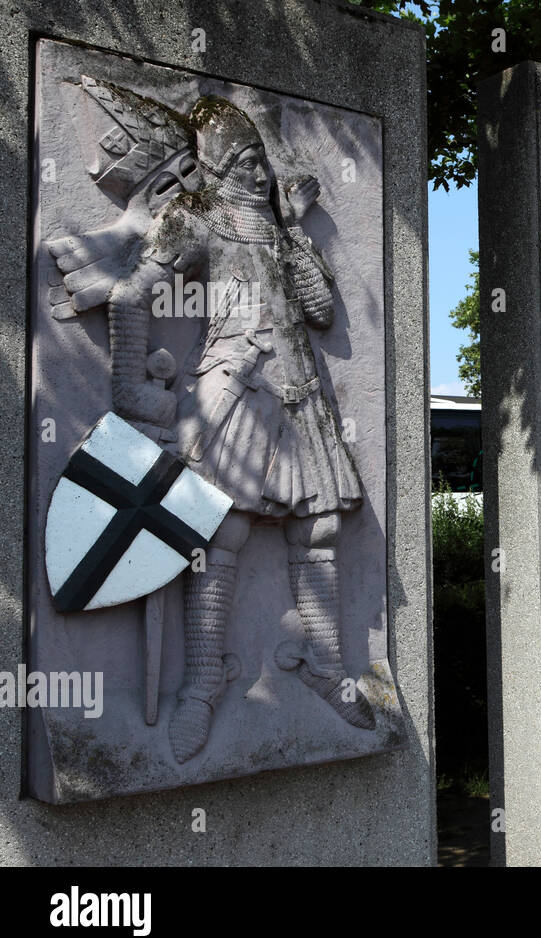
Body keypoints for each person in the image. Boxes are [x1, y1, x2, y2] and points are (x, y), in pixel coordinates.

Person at [107, 95, 373, 763]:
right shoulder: (194, 217)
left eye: (261, 161)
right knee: (221, 532)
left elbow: (319, 310)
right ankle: (202, 684)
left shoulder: (279, 230)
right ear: (220, 167)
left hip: (299, 390)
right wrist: (130, 388)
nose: (259, 173)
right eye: (246, 162)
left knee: (321, 528)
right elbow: (131, 295)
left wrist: (295, 226)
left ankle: (327, 667)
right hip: (236, 390)